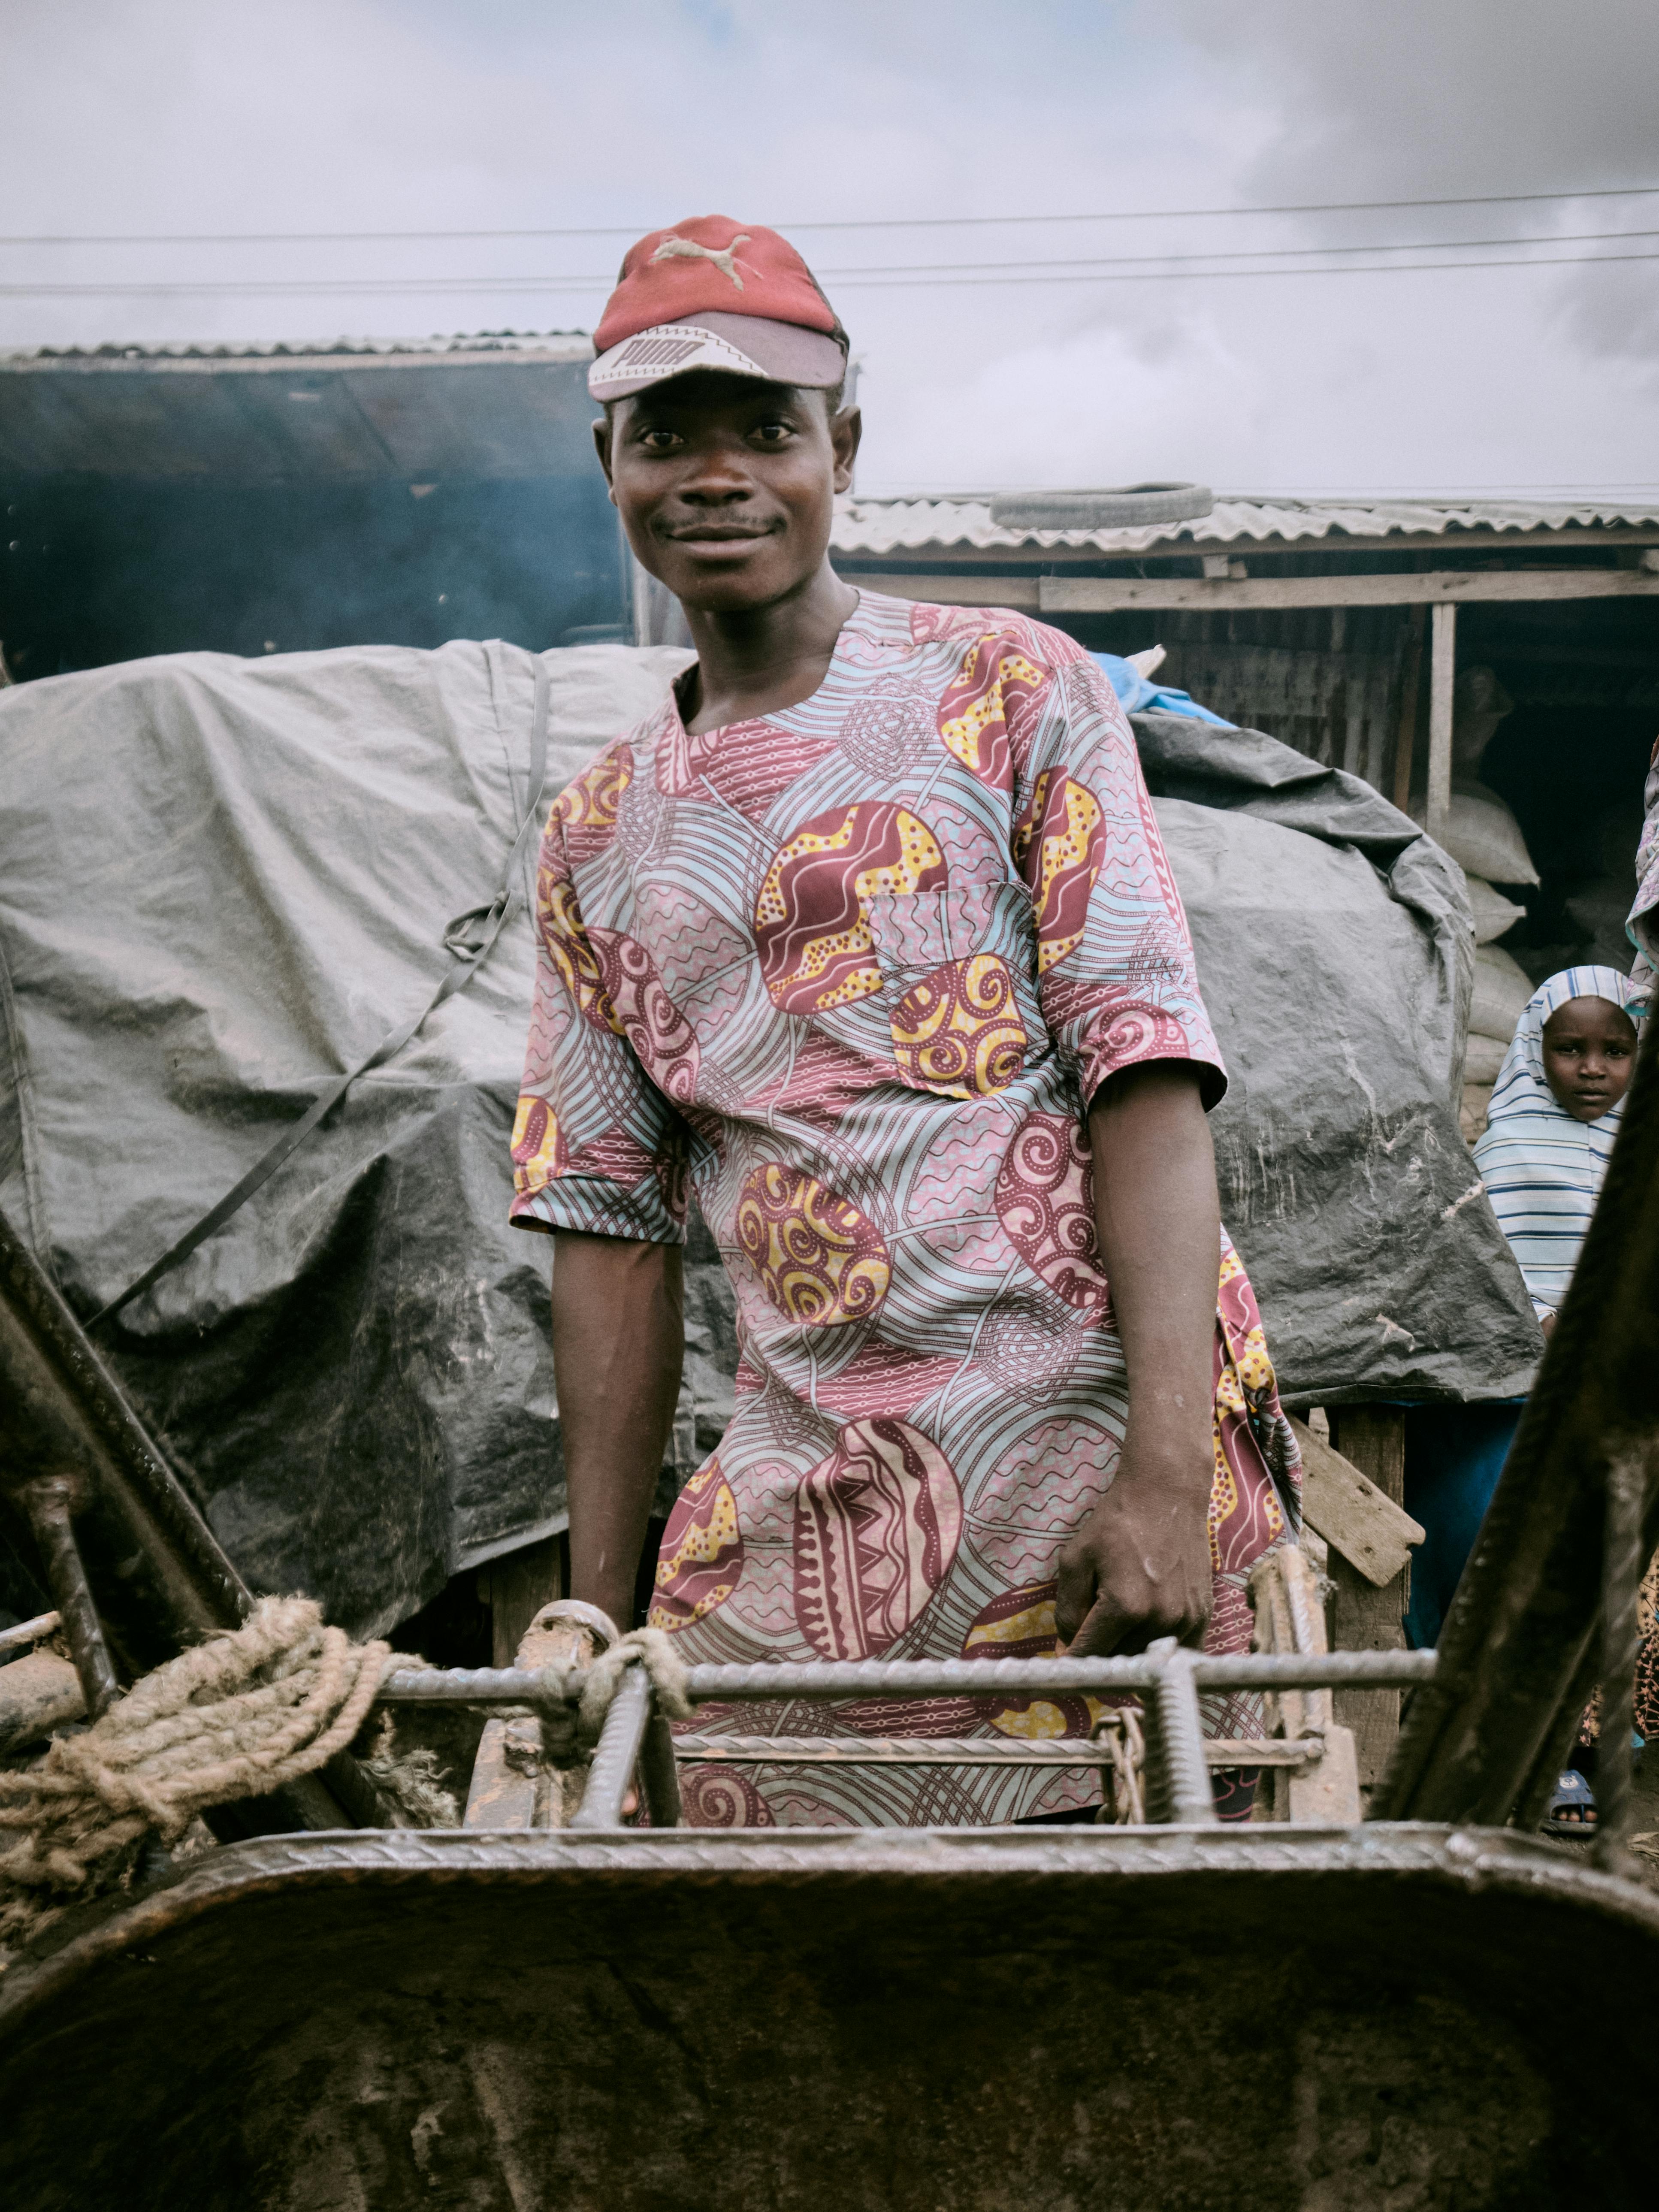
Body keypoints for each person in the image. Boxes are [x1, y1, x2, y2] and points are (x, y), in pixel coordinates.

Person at [508, 215, 1298, 1826]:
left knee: (1143, 1954)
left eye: (765, 429)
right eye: (664, 435)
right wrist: (598, 1611)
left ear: (841, 449)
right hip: (812, 1486)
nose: (714, 473)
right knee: (769, 1962)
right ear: (609, 465)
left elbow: (1143, 1071)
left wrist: (1161, 1474)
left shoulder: (1009, 689)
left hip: (1088, 1450)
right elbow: (604, 1221)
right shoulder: (593, 829)